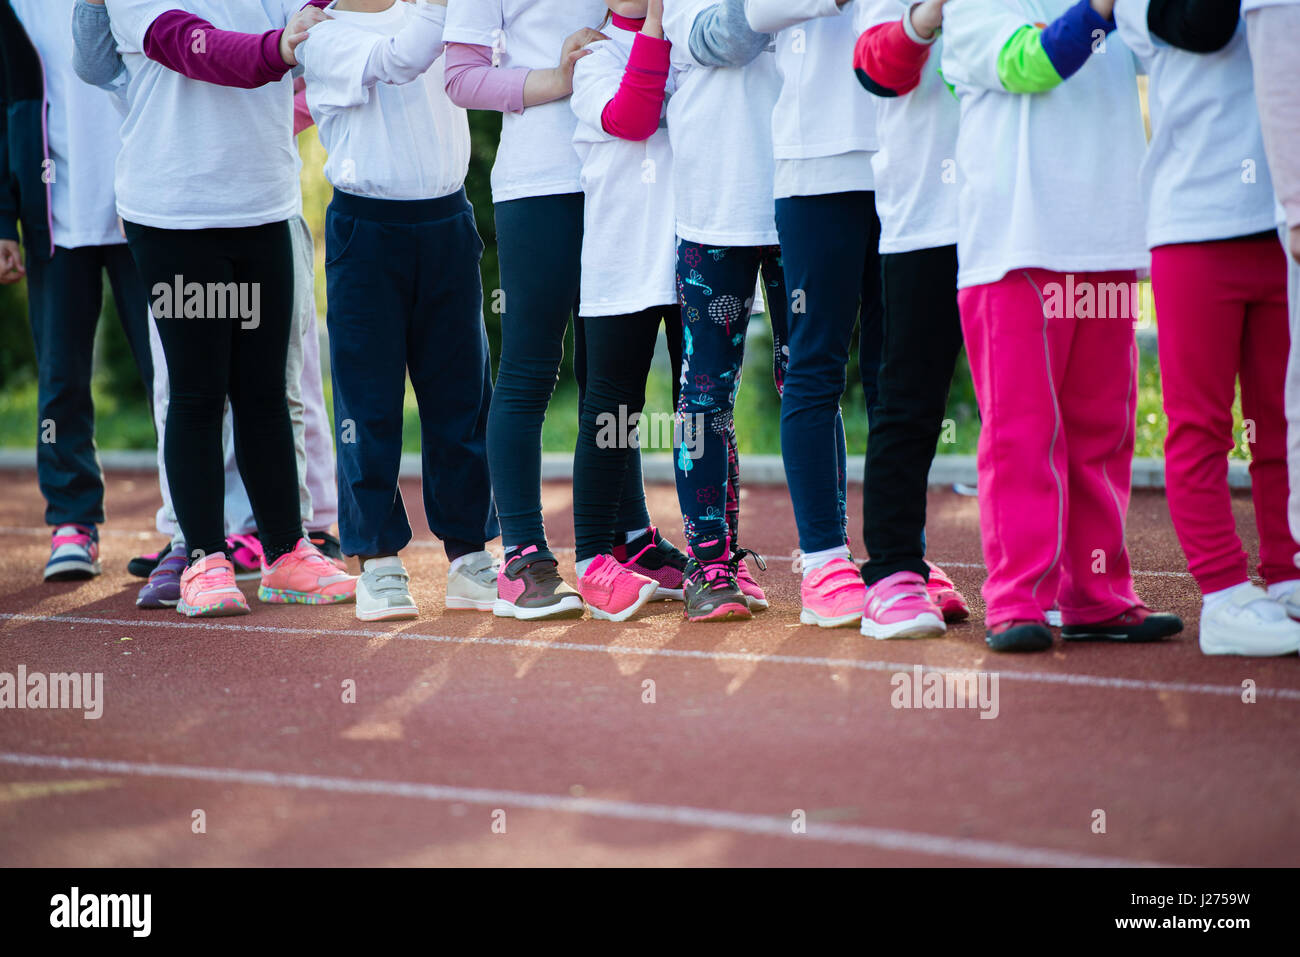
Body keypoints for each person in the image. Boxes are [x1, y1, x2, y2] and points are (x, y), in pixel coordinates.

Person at [71, 0, 345, 613]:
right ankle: (202, 558)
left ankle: (287, 553)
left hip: (264, 205)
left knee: (265, 393)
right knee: (197, 394)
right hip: (176, 213)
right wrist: (281, 46)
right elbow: (194, 47)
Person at [941, 0, 1183, 651]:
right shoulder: (972, 9)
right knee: (1023, 432)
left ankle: (1095, 593)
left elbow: (1178, 44)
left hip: (1103, 243)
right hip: (1015, 252)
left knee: (1102, 430)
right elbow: (1034, 63)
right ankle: (1017, 599)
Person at [299, 0, 500, 621]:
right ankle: (379, 563)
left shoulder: (432, 11)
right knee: (369, 403)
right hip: (367, 230)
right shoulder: (321, 34)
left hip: (447, 219)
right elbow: (400, 58)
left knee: (462, 397)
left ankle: (470, 557)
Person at [444, 0, 642, 621]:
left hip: (619, 169)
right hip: (540, 181)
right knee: (531, 366)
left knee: (611, 369)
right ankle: (522, 555)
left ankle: (624, 537)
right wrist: (555, 81)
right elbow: (461, 76)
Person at [1115, 0, 1300, 655]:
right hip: (1193, 225)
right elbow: (1204, 23)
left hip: (1278, 221)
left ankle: (1287, 574)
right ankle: (1223, 594)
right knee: (1202, 426)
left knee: (1281, 420)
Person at [1, 0, 154, 582]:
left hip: (147, 210)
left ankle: (190, 523)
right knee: (61, 379)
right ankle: (73, 520)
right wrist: (1, 219)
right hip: (54, 219)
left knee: (173, 378)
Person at [851, 0, 972, 637]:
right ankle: (896, 573)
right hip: (926, 217)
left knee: (1032, 404)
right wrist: (926, 16)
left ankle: (1048, 571)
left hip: (1022, 218)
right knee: (909, 401)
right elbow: (876, 68)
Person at [569, 0, 690, 620]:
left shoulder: (695, 39)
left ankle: (713, 555)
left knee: (702, 407)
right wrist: (655, 26)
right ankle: (592, 559)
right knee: (614, 407)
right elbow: (635, 117)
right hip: (621, 261)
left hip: (697, 247)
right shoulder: (592, 55)